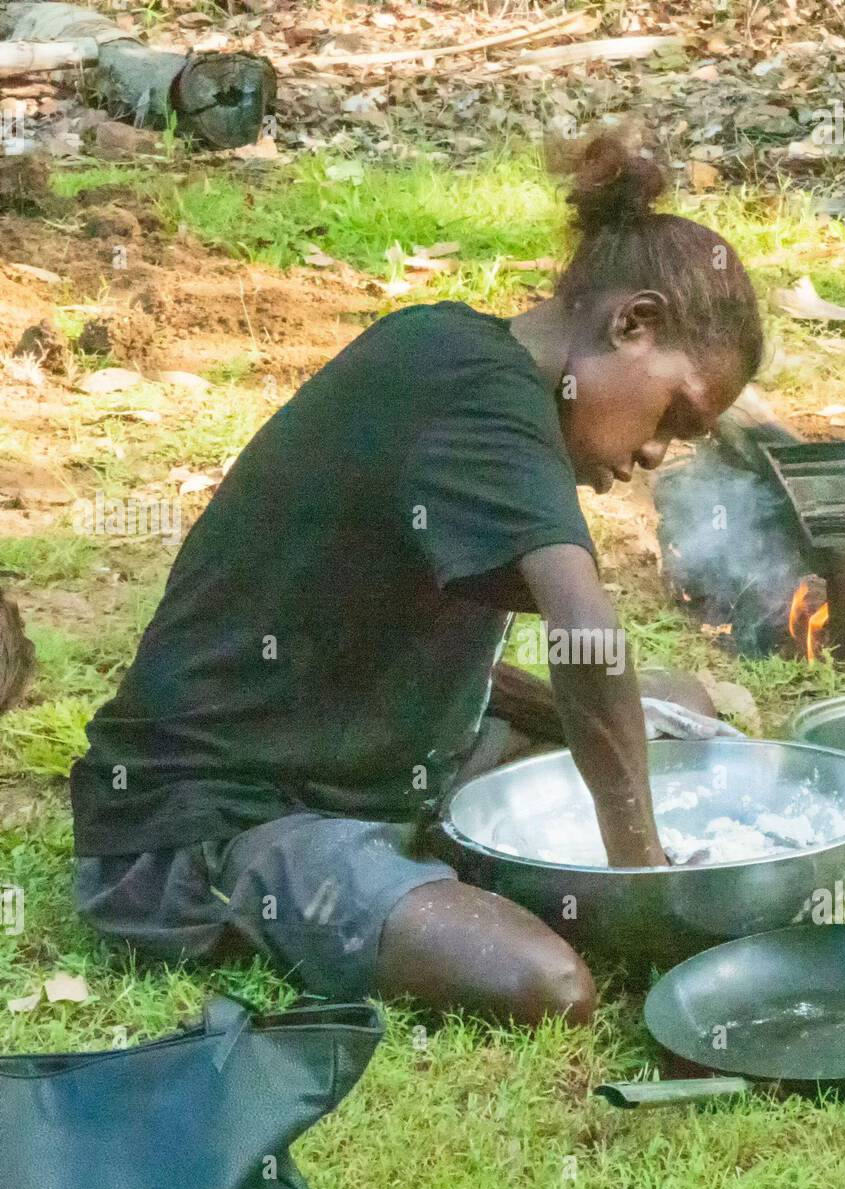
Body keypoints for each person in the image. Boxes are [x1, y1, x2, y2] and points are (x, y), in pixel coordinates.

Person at [69, 134, 765, 1025]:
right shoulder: (482, 401)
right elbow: (589, 642)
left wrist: (603, 725)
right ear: (632, 324)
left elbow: (393, 634)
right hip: (211, 819)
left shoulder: (473, 369)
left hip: (357, 750)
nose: (659, 453)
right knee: (546, 984)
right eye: (677, 412)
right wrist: (643, 877)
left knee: (680, 712)